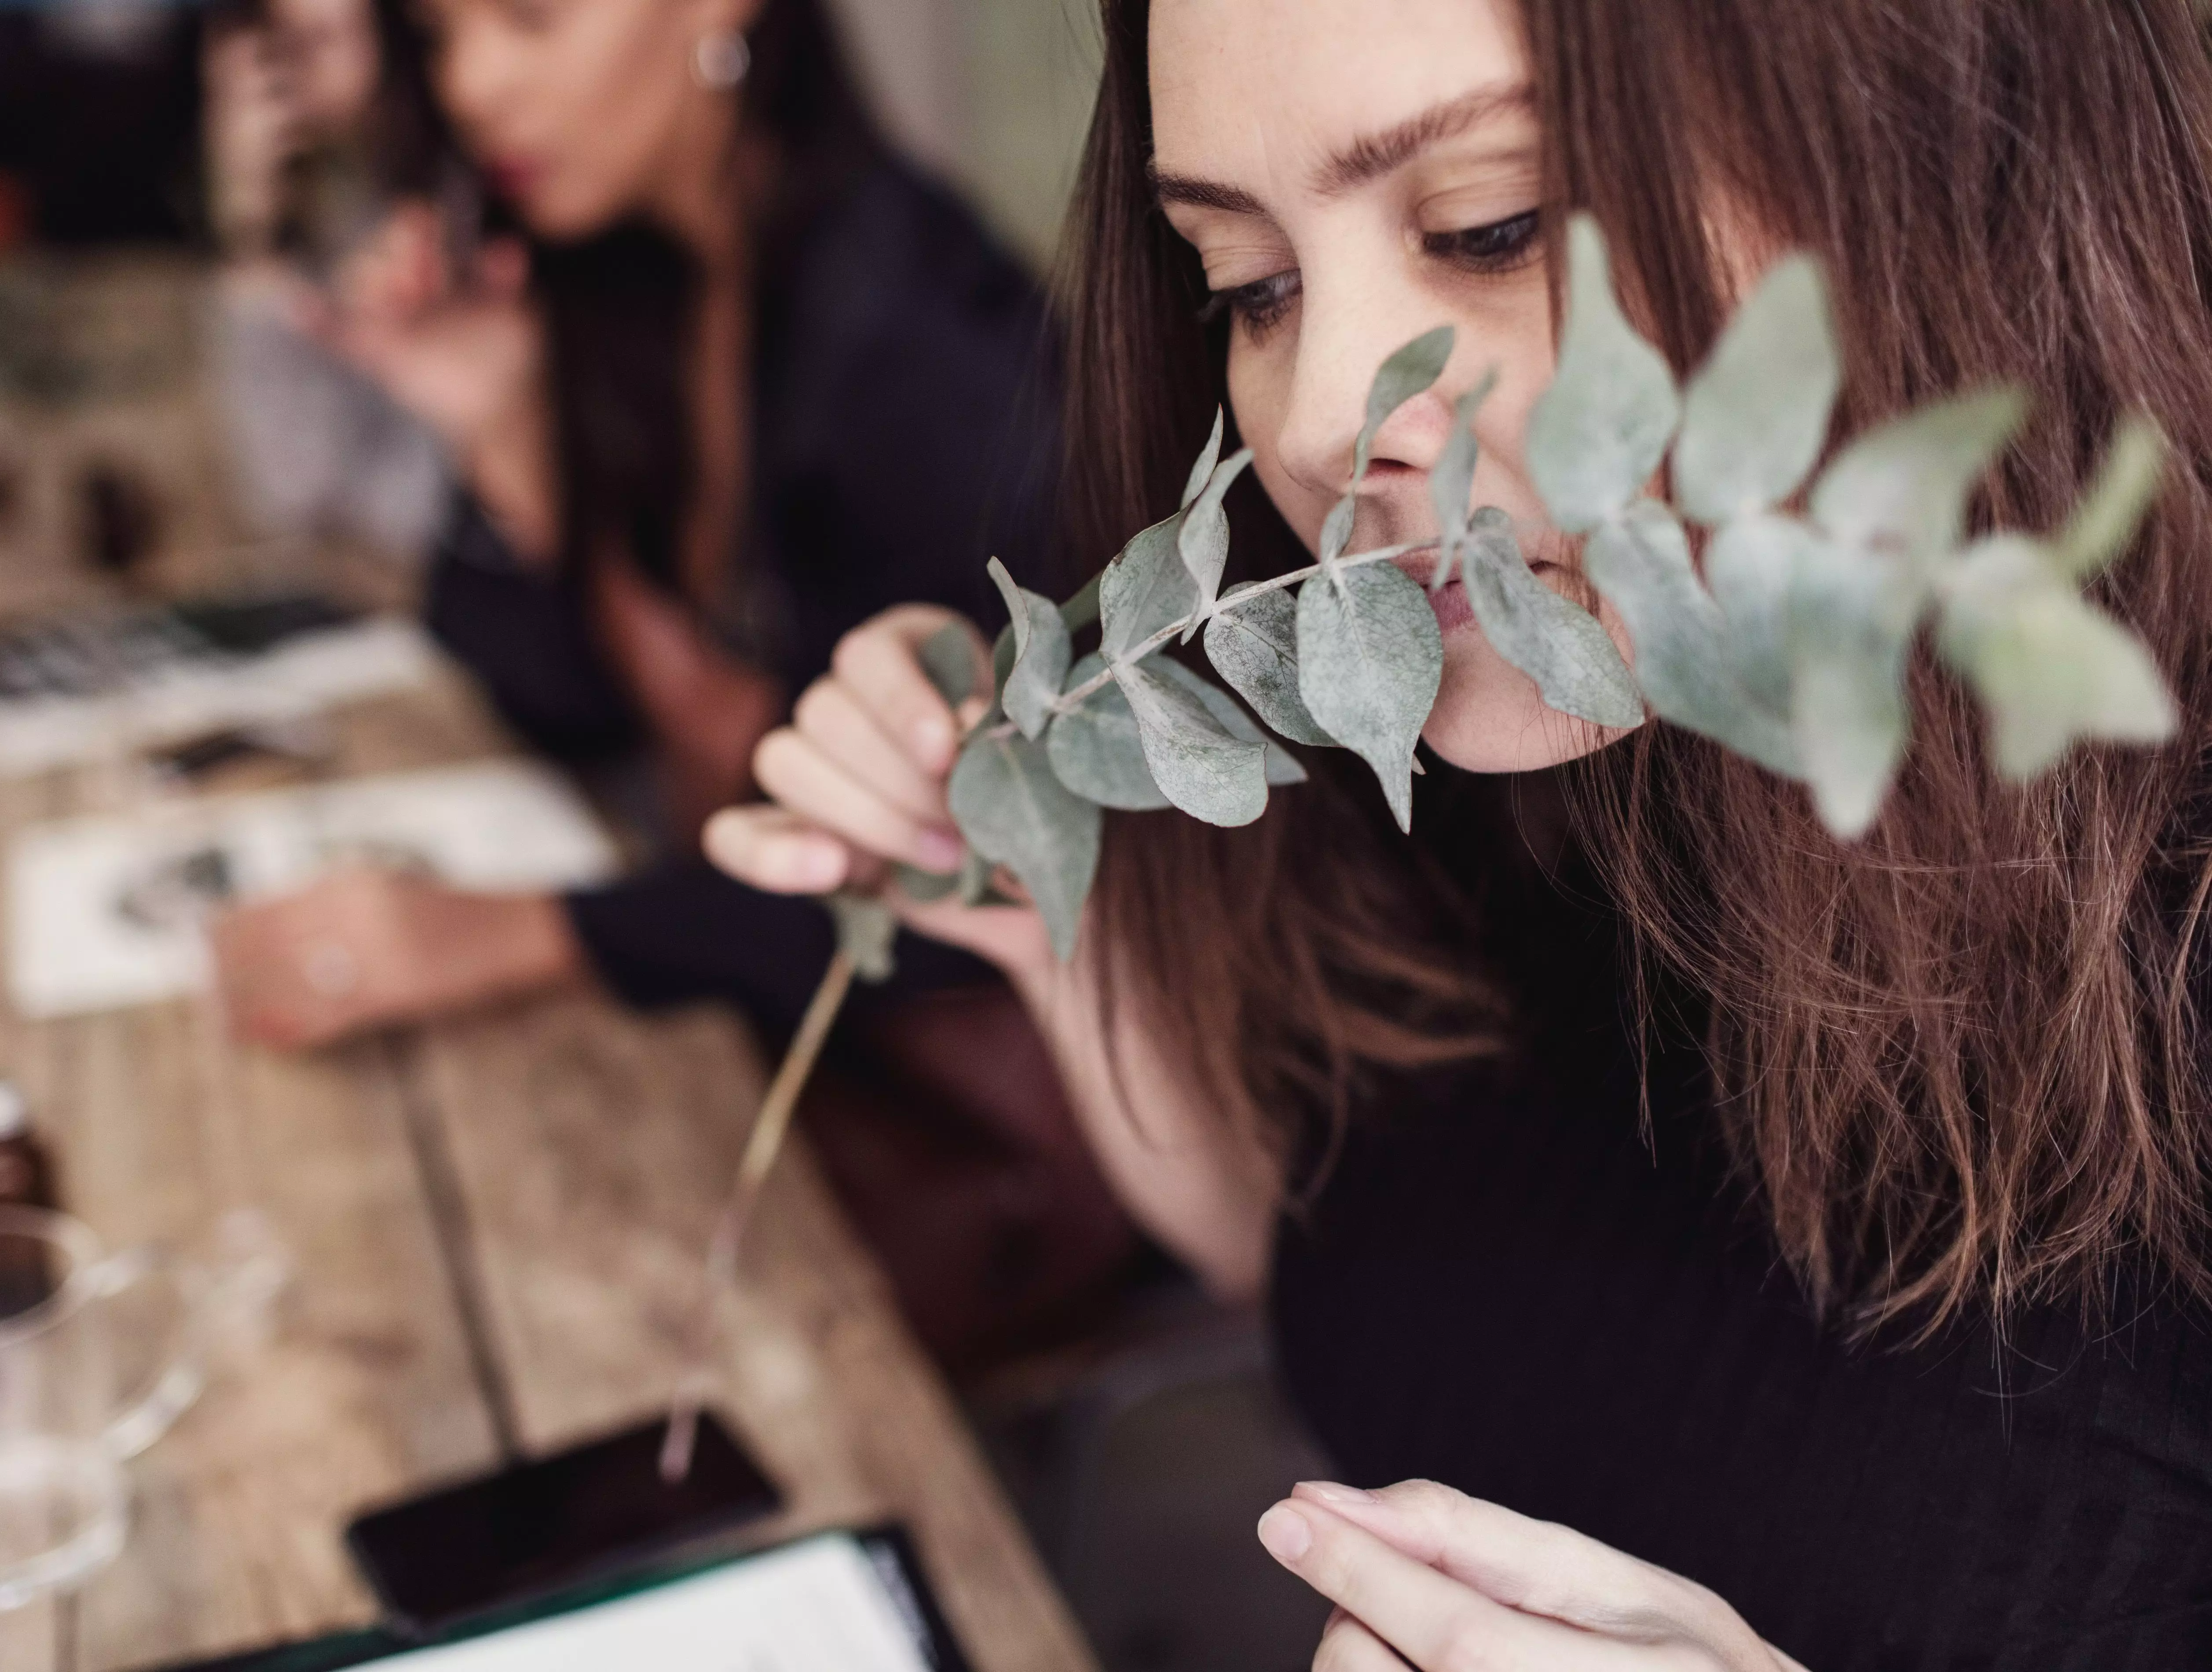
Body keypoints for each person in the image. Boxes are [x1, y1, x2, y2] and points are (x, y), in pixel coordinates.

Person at [703, 0, 2212, 1664]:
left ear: (1951, 150)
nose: (1315, 412)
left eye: (1489, 227)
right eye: (1249, 286)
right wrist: (1038, 911)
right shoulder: (1487, 728)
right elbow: (1334, 1223)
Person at [208, 0, 1135, 1368]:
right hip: (748, 1027)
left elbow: (1008, 857)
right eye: (441, 35)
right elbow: (551, 690)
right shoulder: (625, 275)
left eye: (525, 20)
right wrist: (507, 430)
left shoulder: (924, 348)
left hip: (987, 1096)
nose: (471, 85)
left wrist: (532, 934)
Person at [202, 0, 452, 554]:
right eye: (278, 38)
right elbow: (289, 486)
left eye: (326, 36)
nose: (294, 67)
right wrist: (252, 219)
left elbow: (415, 510)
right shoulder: (325, 204)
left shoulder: (459, 194)